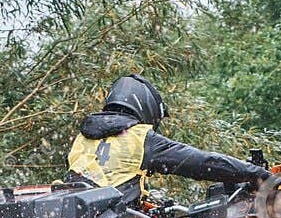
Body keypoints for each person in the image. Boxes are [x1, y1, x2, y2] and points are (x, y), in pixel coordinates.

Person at [67, 74, 269, 207]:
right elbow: (203, 162)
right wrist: (257, 175)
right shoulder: (139, 137)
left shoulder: (83, 138)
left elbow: (103, 182)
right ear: (146, 106)